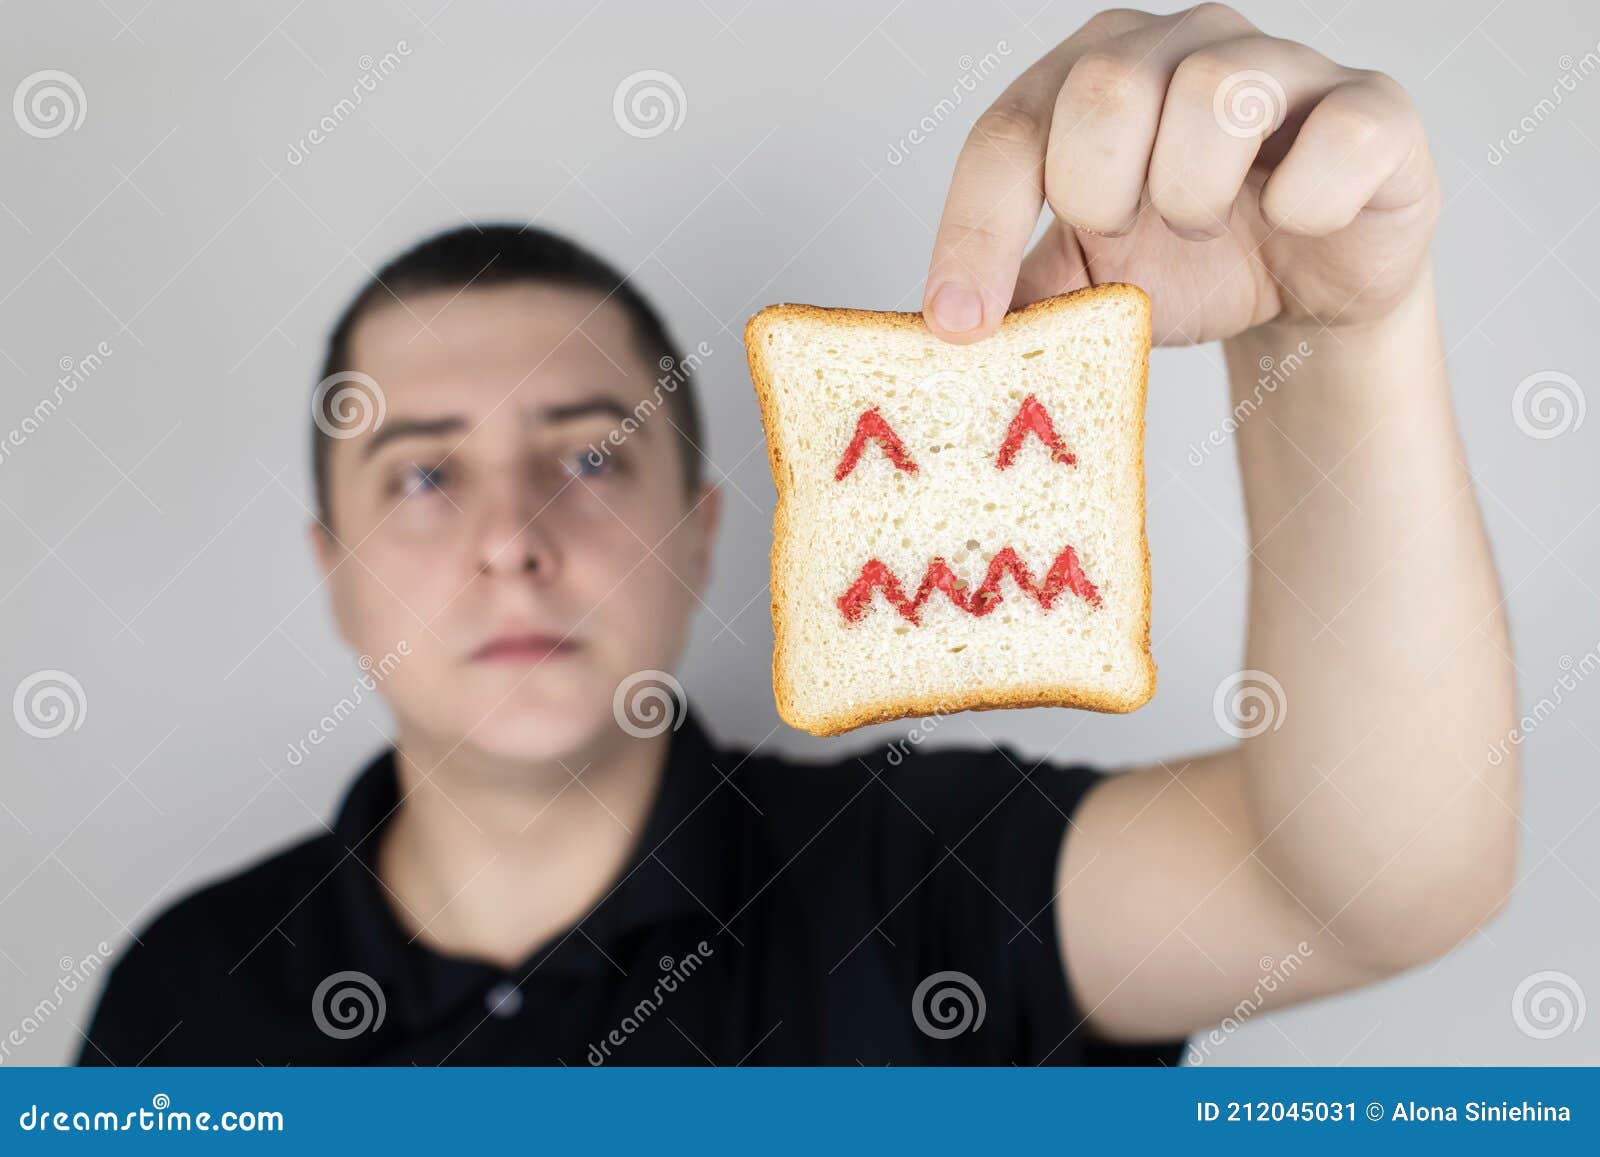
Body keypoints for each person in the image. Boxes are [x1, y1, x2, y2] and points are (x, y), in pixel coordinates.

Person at [78, 4, 1518, 1066]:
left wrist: (1337, 333)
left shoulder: (927, 877)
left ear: (707, 534)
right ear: (330, 570)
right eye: (422, 476)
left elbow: (1363, 888)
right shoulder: (189, 992)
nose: (512, 538)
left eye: (588, 453)